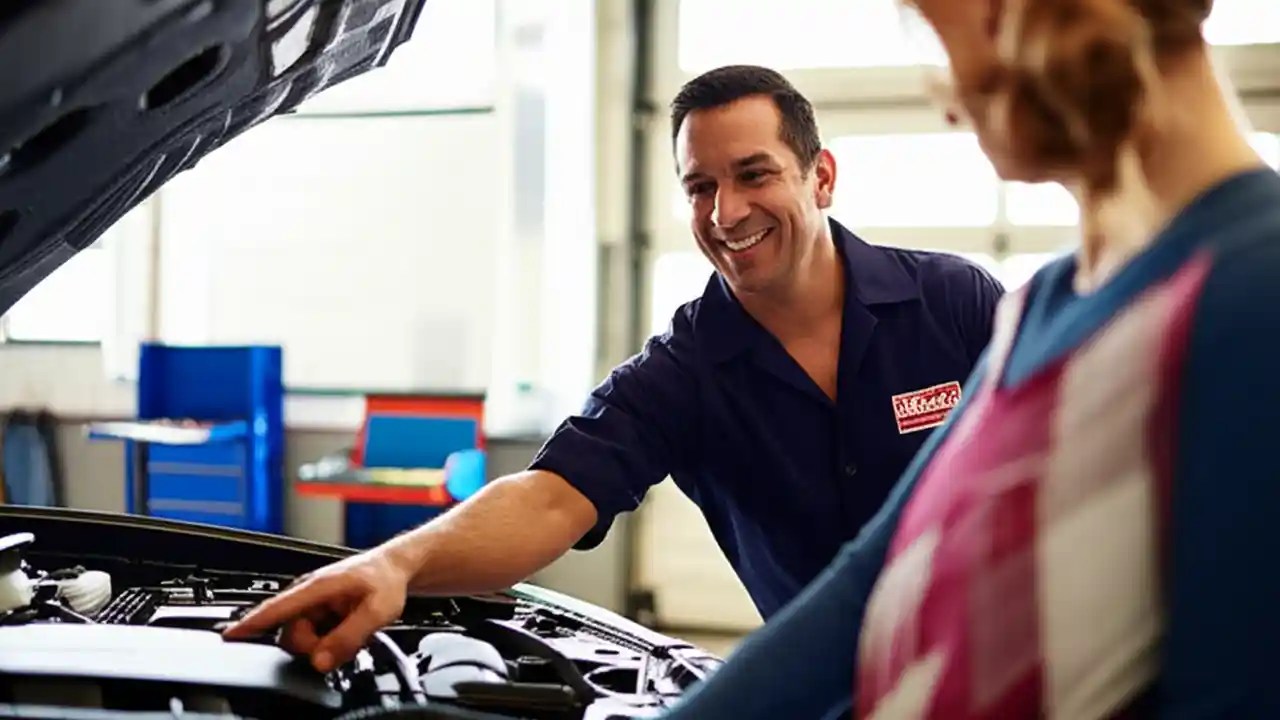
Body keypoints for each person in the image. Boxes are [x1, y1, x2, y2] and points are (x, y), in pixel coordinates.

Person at [222, 65, 1005, 673]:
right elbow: (547, 499)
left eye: (754, 174)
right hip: (840, 690)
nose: (726, 213)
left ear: (821, 177)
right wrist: (397, 563)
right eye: (700, 187)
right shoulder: (686, 372)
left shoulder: (955, 304)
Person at [652, 0, 1280, 718]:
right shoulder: (1046, 301)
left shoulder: (1252, 296)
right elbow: (872, 584)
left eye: (943, 40)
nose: (948, 99)